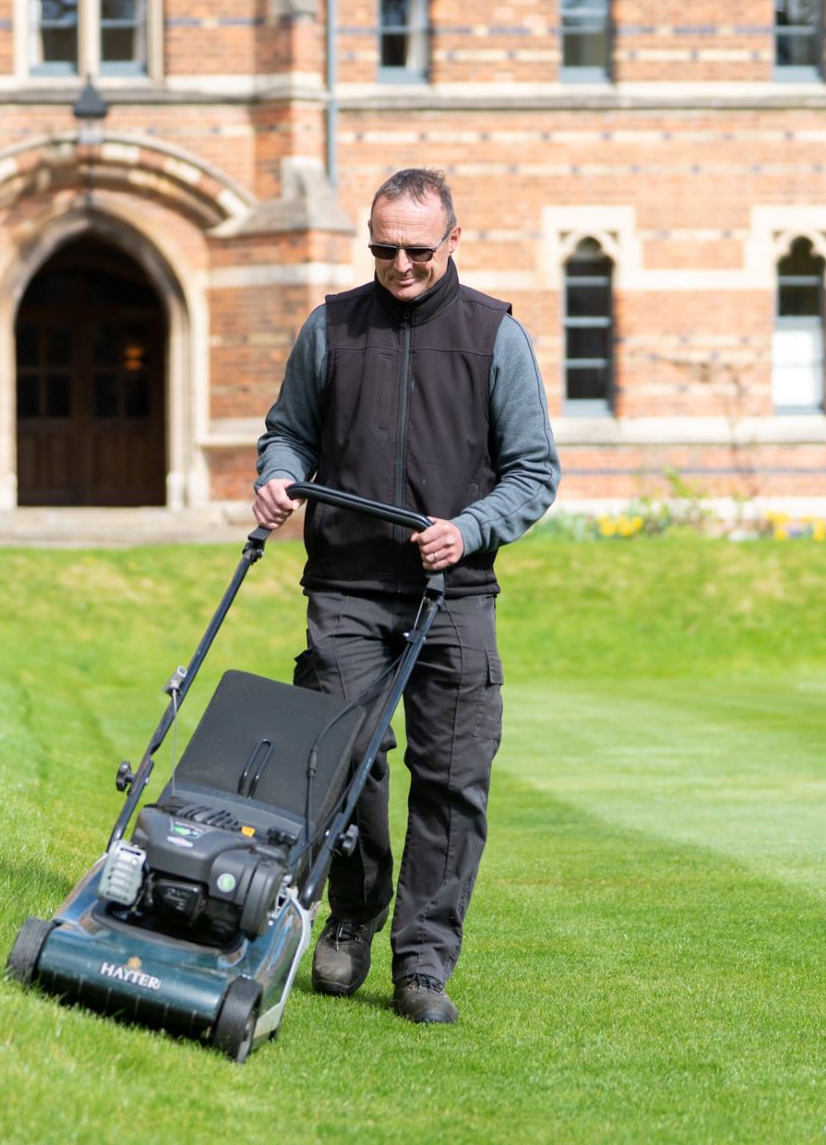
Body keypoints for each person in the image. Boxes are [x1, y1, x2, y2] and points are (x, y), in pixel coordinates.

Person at [252, 167, 560, 1024]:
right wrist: (278, 480)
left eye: (416, 250)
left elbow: (535, 473)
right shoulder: (330, 327)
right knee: (344, 768)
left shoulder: (496, 336)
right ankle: (352, 914)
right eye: (383, 248)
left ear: (453, 240)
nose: (399, 265)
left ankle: (424, 960)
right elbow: (290, 432)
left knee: (453, 780)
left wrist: (469, 527)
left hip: (452, 595)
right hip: (346, 588)